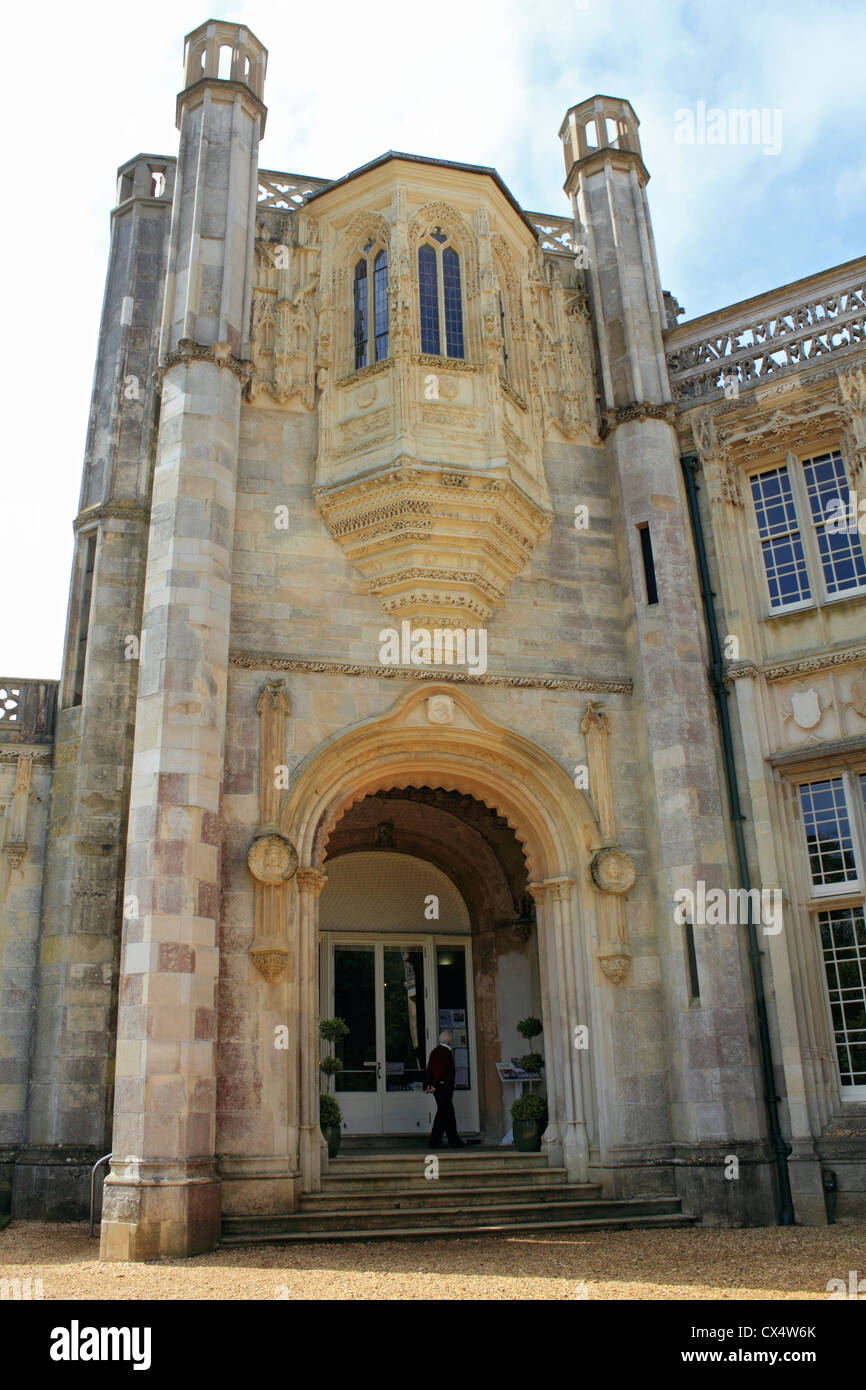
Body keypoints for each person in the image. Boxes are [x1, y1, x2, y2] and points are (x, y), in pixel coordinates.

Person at [425, 1029, 464, 1148]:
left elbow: (429, 1069)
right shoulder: (445, 1053)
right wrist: (435, 1085)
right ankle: (436, 1141)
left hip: (438, 1086)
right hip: (443, 1087)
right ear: (449, 1040)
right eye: (451, 1038)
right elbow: (440, 1070)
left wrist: (429, 1084)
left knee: (448, 1113)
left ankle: (453, 1139)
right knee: (444, 1113)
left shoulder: (435, 1051)